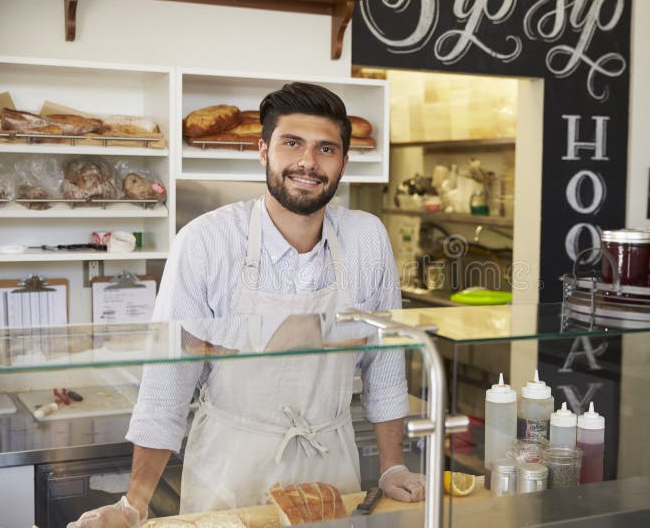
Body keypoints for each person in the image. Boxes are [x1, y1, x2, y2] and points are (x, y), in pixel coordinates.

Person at [70, 83, 424, 526]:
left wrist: (392, 465)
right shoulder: (204, 242)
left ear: (344, 163)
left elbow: (386, 363)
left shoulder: (367, 238)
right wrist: (133, 504)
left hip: (332, 470)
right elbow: (168, 383)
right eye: (291, 143)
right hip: (230, 469)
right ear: (263, 151)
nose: (308, 163)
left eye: (326, 149)